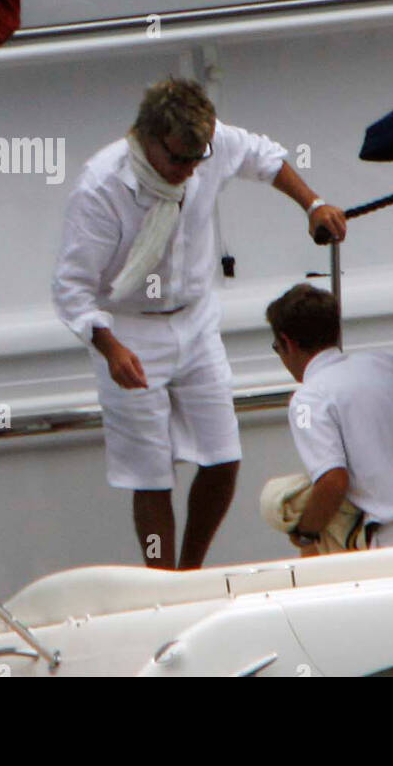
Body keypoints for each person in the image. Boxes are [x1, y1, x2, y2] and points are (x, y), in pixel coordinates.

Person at [52, 78, 346, 569]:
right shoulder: (102, 186)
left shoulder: (210, 147)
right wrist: (110, 348)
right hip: (127, 328)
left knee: (223, 455)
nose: (190, 171)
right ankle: (162, 581)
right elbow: (71, 287)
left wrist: (313, 205)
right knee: (151, 474)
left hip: (194, 317)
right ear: (148, 139)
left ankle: (189, 572)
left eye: (198, 160)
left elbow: (265, 158)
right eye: (179, 161)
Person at [266, 284, 393, 552]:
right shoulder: (385, 364)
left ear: (287, 343)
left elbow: (333, 480)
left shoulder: (307, 401)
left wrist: (305, 532)